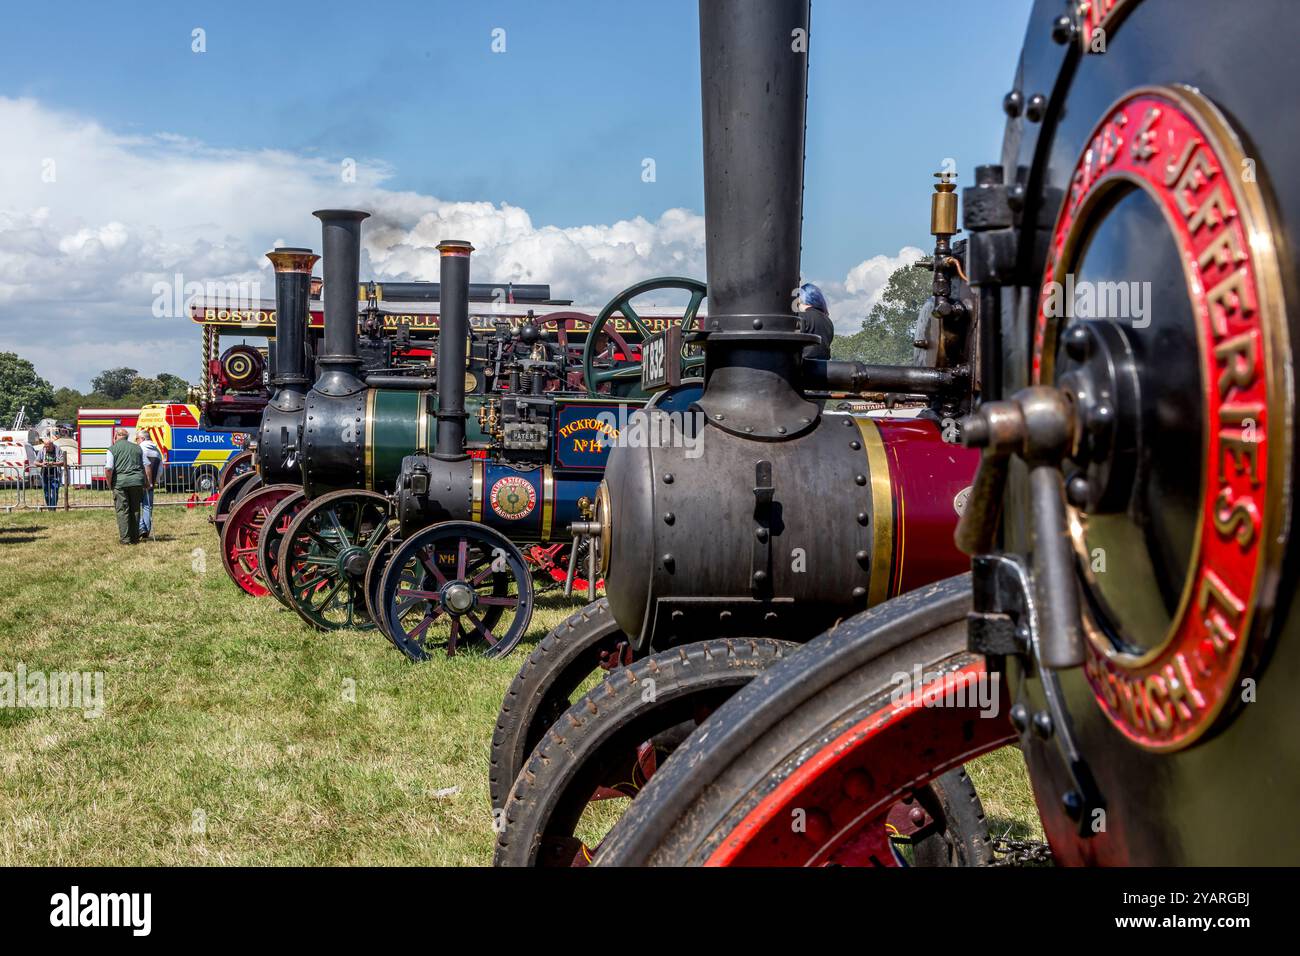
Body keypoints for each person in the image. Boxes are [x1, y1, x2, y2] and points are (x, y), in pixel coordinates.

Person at [105, 427, 147, 545]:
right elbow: (145, 466)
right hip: (137, 482)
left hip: (120, 483)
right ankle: (134, 538)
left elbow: (108, 469)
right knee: (135, 509)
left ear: (116, 436)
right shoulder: (137, 448)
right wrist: (146, 482)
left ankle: (125, 539)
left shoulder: (112, 449)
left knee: (123, 510)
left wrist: (109, 484)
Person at [136, 428, 163, 540]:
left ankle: (141, 528)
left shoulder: (140, 449)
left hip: (139, 482)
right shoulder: (157, 451)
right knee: (148, 507)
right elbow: (160, 469)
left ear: (142, 438)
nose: (136, 441)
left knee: (136, 506)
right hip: (151, 483)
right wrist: (154, 481)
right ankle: (146, 530)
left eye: (137, 439)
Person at [35, 435, 66, 509]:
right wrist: (42, 464)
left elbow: (63, 462)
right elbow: (35, 462)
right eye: (45, 446)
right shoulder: (42, 450)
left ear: (52, 445)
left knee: (55, 492)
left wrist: (53, 463)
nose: (46, 448)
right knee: (46, 493)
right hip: (45, 474)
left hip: (55, 474)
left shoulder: (58, 450)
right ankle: (49, 508)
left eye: (48, 446)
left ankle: (53, 509)